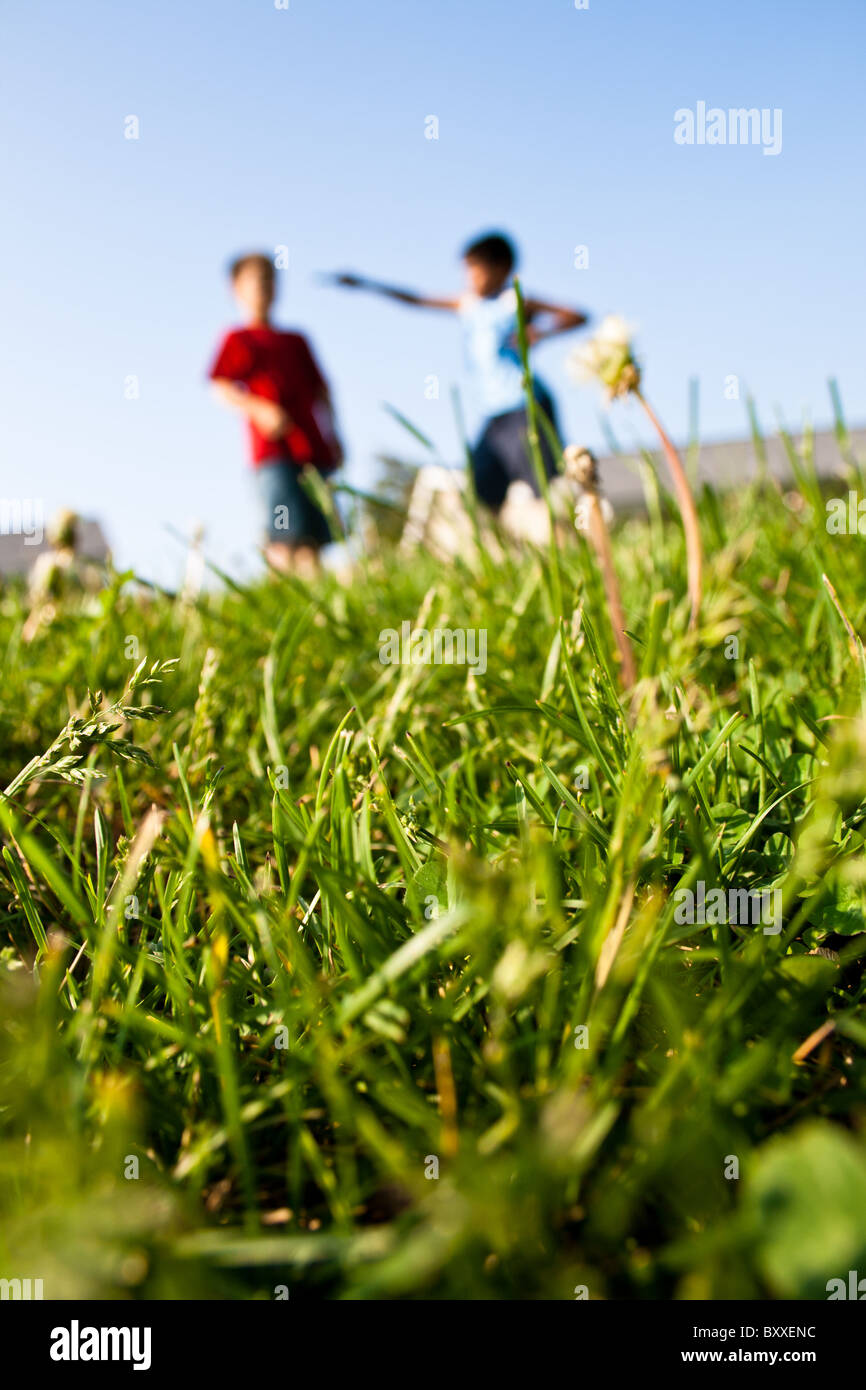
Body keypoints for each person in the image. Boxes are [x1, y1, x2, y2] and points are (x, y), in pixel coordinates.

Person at [332, 232, 589, 512]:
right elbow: (417, 300)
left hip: (525, 406)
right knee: (483, 487)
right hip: (493, 413)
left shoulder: (514, 301)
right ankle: (505, 547)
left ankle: (564, 537)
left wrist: (540, 331)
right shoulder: (469, 305)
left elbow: (576, 314)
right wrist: (368, 285)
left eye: (475, 271)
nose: (470, 279)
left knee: (541, 482)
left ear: (501, 269)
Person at [209, 253, 342, 578]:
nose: (265, 287)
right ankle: (284, 591)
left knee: (314, 531)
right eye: (257, 280)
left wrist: (333, 433)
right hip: (273, 454)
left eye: (270, 279)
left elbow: (323, 391)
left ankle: (318, 601)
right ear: (236, 288)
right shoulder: (238, 339)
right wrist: (259, 409)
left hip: (312, 448)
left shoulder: (296, 340)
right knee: (284, 530)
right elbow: (220, 386)